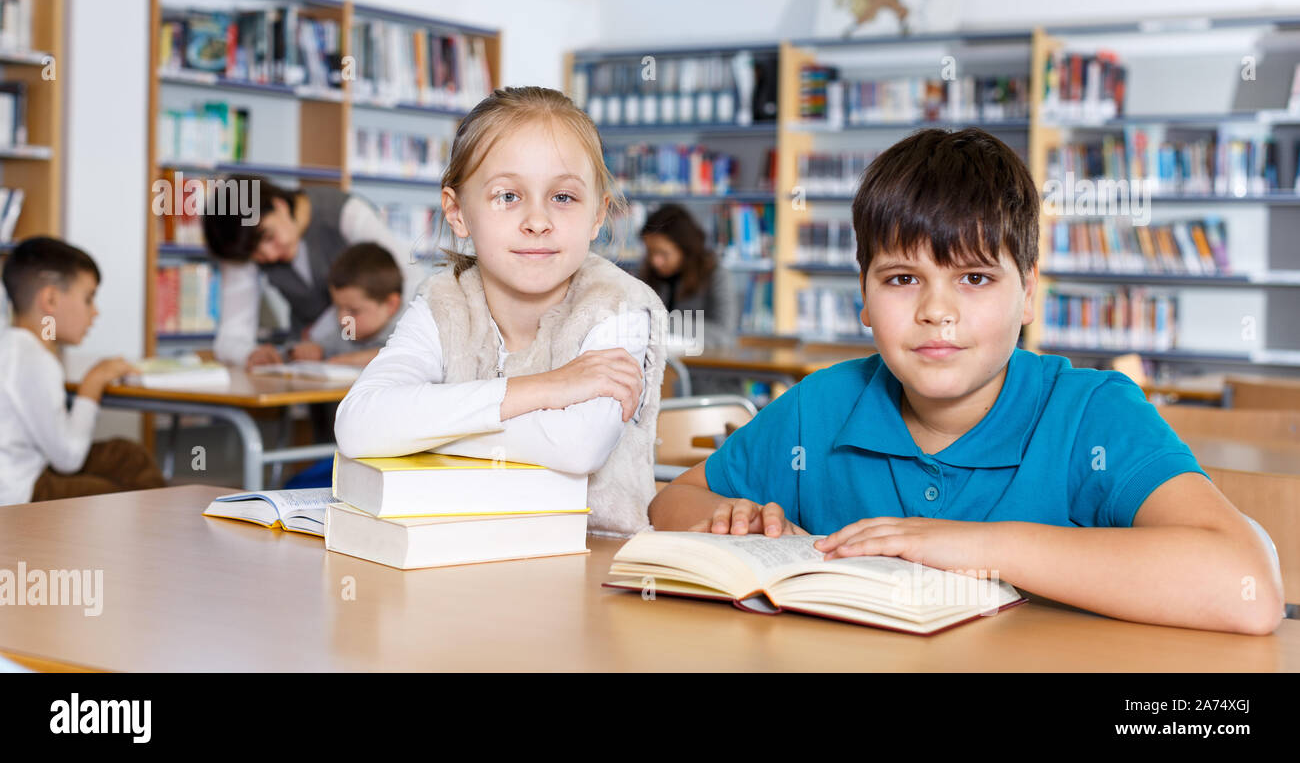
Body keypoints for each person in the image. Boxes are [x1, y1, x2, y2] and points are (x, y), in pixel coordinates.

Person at [647, 128, 1283, 635]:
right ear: (863, 299)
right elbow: (673, 501)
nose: (936, 311)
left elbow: (1244, 588)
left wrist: (968, 545)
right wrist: (734, 516)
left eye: (975, 278)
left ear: (1028, 293)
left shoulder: (1092, 414)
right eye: (901, 279)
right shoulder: (821, 407)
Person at [335, 86, 667, 536]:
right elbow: (359, 425)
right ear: (457, 213)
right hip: (465, 552)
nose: (537, 220)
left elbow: (577, 447)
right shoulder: (442, 303)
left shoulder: (617, 307)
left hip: (598, 568)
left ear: (597, 214)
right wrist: (546, 388)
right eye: (507, 196)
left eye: (564, 197)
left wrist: (425, 431)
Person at [0, 237, 165, 505]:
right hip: (18, 492)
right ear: (50, 300)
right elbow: (68, 458)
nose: (95, 312)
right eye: (89, 299)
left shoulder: (13, 347)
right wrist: (94, 381)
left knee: (127, 455)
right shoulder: (35, 361)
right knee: (119, 502)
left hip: (28, 470)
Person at [201, 175, 421, 370]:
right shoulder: (240, 242)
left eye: (269, 237)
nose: (268, 255)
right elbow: (232, 334)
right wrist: (249, 354)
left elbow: (411, 279)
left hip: (373, 352)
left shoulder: (346, 213)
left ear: (280, 205)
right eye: (256, 255)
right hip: (312, 362)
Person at [639, 203, 737, 350]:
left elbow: (724, 333)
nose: (655, 261)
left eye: (663, 253)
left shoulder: (715, 275)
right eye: (650, 252)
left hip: (702, 366)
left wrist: (661, 325)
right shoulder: (646, 274)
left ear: (685, 249)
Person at [289, 242, 403, 368]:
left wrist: (352, 360)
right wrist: (308, 351)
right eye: (338, 308)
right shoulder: (345, 335)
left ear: (391, 305)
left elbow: (405, 356)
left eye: (353, 311)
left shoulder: (406, 332)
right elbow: (316, 348)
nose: (342, 319)